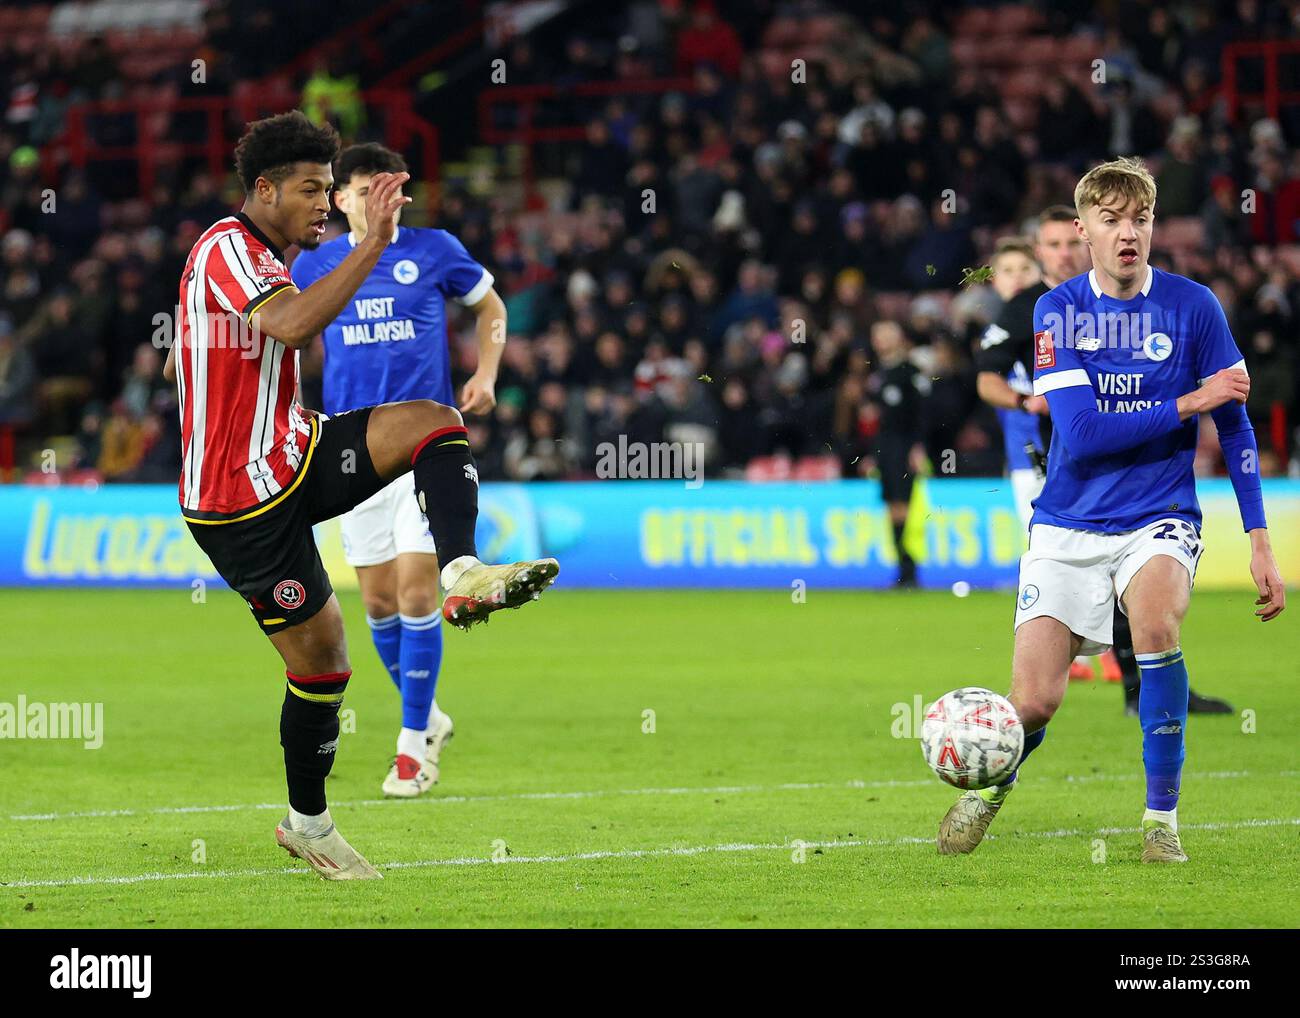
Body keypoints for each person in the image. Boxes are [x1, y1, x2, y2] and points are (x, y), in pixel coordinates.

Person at [163, 112, 558, 880]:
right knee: (324, 669)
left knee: (434, 423)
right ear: (265, 189)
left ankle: (462, 572)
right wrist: (372, 240)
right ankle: (308, 822)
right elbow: (288, 324)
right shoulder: (226, 247)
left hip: (294, 450)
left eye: (328, 188)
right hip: (236, 501)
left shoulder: (276, 253)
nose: (322, 203)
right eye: (311, 189)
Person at [940, 158, 1285, 863]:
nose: (1128, 233)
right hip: (1066, 519)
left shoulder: (1195, 308)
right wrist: (1192, 400)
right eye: (1111, 220)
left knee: (1156, 622)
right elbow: (1086, 432)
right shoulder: (1055, 311)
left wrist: (1259, 539)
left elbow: (1238, 427)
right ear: (1082, 230)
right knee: (1033, 703)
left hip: (1159, 513)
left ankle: (1161, 820)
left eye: (1141, 220)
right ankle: (991, 786)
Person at [291, 143, 507, 799]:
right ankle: (430, 717)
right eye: (362, 189)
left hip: (423, 444)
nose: (378, 199)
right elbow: (290, 336)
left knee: (418, 592)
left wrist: (487, 373)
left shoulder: (434, 248)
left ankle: (413, 748)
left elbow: (490, 309)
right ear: (341, 198)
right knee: (379, 603)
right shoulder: (315, 263)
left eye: (389, 189)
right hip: (351, 452)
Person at [975, 207, 1233, 715]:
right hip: (1060, 467)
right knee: (1082, 579)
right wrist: (1026, 402)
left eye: (1067, 245)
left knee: (1138, 585)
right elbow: (985, 378)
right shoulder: (1034, 308)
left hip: (1132, 465)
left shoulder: (1139, 301)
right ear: (1042, 251)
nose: (1064, 254)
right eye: (1051, 246)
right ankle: (1074, 682)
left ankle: (1139, 687)